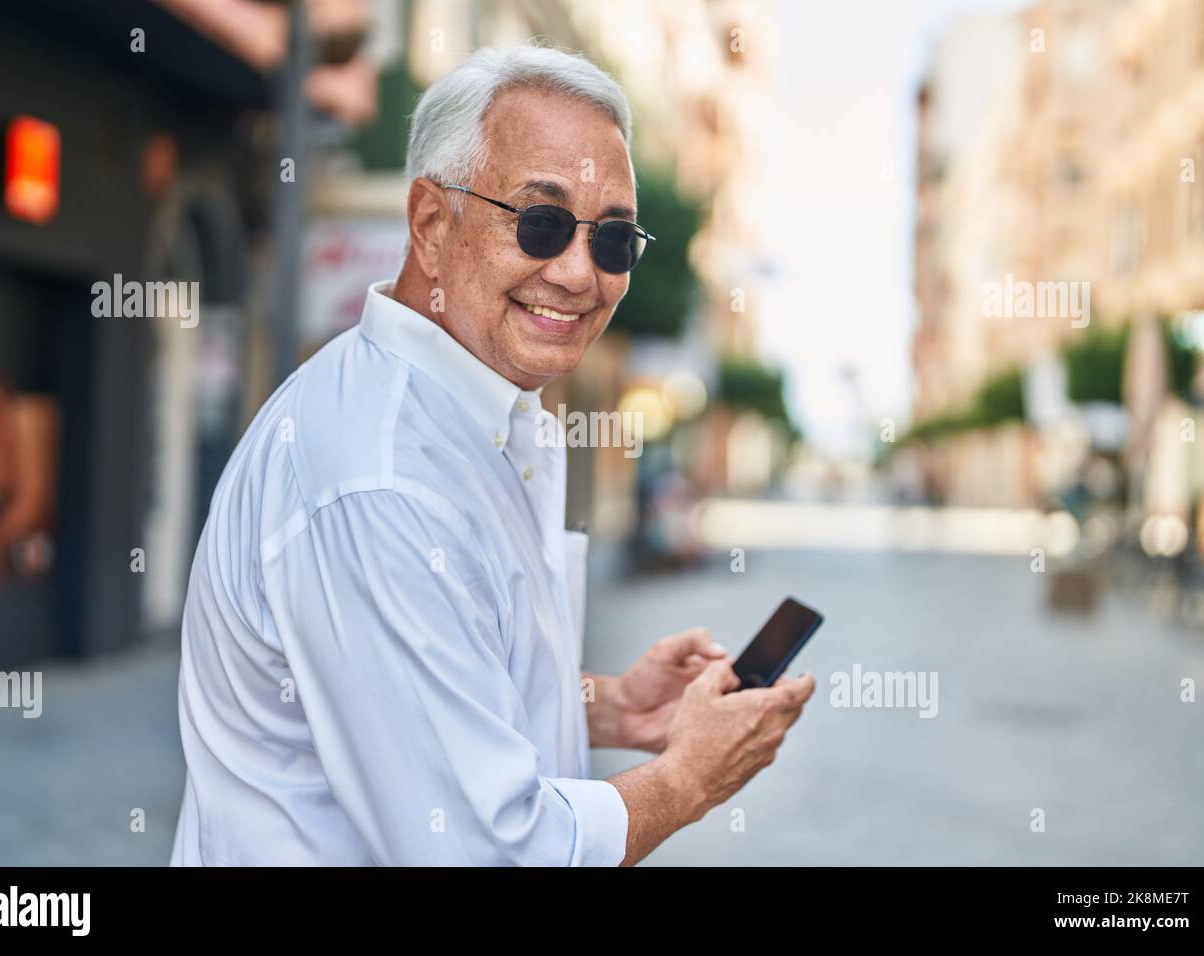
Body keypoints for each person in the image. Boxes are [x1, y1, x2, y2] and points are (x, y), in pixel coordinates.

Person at [170, 44, 815, 867]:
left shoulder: (480, 415)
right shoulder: (383, 476)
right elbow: (486, 850)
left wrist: (608, 706)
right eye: (540, 222)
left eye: (613, 239)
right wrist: (686, 778)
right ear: (432, 224)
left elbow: (435, 698)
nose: (581, 273)